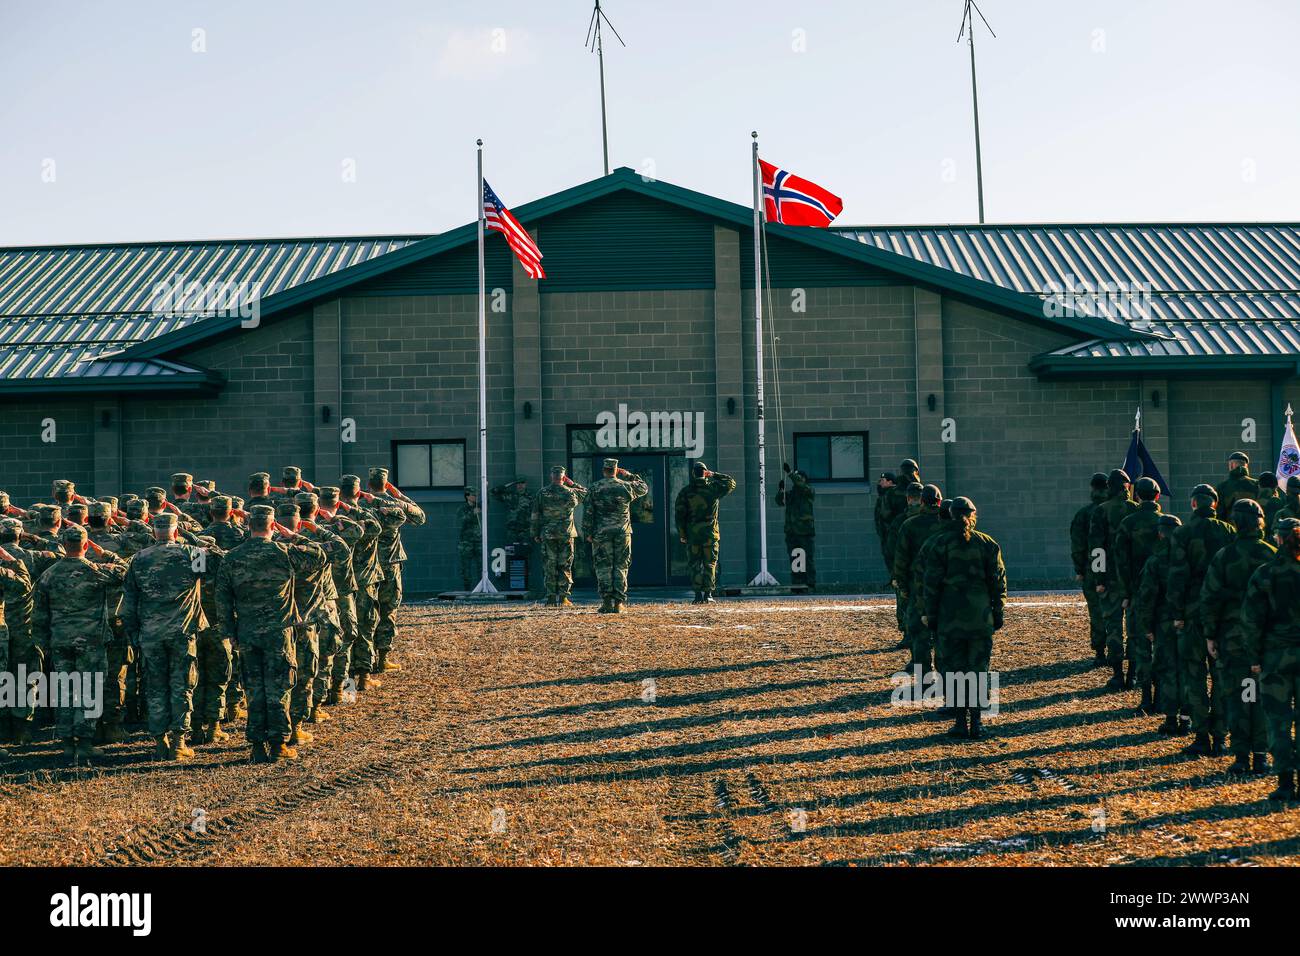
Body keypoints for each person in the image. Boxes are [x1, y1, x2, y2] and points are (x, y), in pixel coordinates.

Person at [215, 504, 328, 763]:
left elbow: (223, 599)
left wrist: (229, 632)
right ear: (272, 525)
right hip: (279, 631)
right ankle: (278, 745)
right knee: (279, 688)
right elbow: (319, 556)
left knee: (254, 689)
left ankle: (256, 746)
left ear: (248, 525)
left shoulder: (232, 557)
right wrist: (292, 535)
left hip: (247, 632)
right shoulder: (284, 552)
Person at [121, 512, 220, 761]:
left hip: (151, 634)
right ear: (175, 531)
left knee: (155, 686)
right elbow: (216, 562)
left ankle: (159, 741)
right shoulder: (191, 554)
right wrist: (192, 538)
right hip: (182, 632)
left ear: (154, 532)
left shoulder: (138, 560)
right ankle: (178, 742)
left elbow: (129, 603)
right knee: (182, 686)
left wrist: (134, 635)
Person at [32, 524, 128, 762]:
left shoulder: (49, 574)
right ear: (86, 545)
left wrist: (44, 643)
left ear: (64, 546)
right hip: (91, 642)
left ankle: (66, 743)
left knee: (64, 689)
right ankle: (84, 742)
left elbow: (39, 616)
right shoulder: (96, 571)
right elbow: (125, 571)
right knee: (90, 690)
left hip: (60, 641)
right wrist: (105, 554)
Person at [1200, 498, 1276, 776]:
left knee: (1239, 697)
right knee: (1262, 698)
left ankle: (1241, 756)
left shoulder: (1224, 556)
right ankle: (1262, 756)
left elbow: (1209, 598)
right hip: (1267, 642)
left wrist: (1210, 635)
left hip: (1232, 640)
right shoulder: (1272, 555)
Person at [922, 497, 1006, 740]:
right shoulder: (987, 544)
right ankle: (977, 723)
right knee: (978, 670)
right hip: (980, 618)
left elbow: (931, 584)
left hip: (950, 618)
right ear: (973, 515)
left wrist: (932, 615)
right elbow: (998, 582)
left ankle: (960, 722)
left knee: (954, 670)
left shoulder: (939, 544)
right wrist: (997, 612)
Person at [1168, 483, 1236, 757]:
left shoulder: (1182, 533)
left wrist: (1177, 614)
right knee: (1221, 676)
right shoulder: (1228, 531)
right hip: (1223, 615)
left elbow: (1177, 577)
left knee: (1194, 675)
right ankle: (1220, 736)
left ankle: (1201, 735)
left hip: (1192, 613)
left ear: (1194, 504)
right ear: (1215, 505)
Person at [1240, 517, 1300, 800]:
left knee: (1277, 720)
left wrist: (1254, 656)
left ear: (1277, 538)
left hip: (1275, 657)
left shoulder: (1265, 574)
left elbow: (1251, 620)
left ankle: (1286, 782)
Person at [0, 518, 58, 746]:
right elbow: (62, 552)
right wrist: (34, 538)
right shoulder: (30, 557)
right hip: (25, 627)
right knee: (26, 678)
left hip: (3, 628)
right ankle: (22, 728)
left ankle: (3, 729)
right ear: (20, 534)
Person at [365, 467, 425, 672]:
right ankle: (382, 658)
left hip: (365, 566)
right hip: (389, 564)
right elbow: (420, 517)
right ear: (386, 484)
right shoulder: (394, 504)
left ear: (368, 485)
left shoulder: (360, 505)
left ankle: (364, 659)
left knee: (364, 610)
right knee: (387, 610)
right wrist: (399, 495)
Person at [1115, 476, 1163, 703]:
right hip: (1163, 594)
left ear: (1136, 496)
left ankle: (1145, 695)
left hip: (1136, 592)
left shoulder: (1128, 524)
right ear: (1157, 496)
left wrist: (1125, 593)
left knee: (1139, 642)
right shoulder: (1168, 524)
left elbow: (1121, 562)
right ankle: (1163, 695)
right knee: (1162, 644)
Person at [1088, 469, 1138, 691]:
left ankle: (1118, 674)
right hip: (1133, 578)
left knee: (1114, 626)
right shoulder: (1134, 509)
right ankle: (1134, 675)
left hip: (1110, 577)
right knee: (1135, 627)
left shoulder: (1101, 511)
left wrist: (1099, 578)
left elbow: (1097, 548)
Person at [1136, 514, 1184, 733]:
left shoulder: (1156, 560)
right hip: (1188, 621)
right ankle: (1189, 716)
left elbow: (1147, 596)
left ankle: (1172, 717)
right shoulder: (1188, 557)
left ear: (1160, 533)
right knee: (1190, 669)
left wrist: (1146, 626)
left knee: (1168, 669)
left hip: (1163, 623)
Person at [582, 458, 648, 613]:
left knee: (603, 566)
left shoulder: (595, 488)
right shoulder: (626, 486)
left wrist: (588, 532)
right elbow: (644, 487)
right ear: (616, 470)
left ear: (604, 470)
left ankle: (606, 602)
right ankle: (619, 603)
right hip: (622, 532)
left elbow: (588, 513)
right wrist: (629, 475)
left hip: (601, 532)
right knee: (621, 566)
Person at [893, 484, 944, 671]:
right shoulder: (947, 524)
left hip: (918, 583)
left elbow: (901, 559)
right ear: (939, 501)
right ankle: (943, 666)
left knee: (917, 627)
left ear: (922, 501)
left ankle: (922, 666)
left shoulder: (910, 524)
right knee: (942, 627)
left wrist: (902, 586)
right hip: (944, 584)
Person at [675, 462, 737, 604]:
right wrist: (714, 475)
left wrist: (682, 534)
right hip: (710, 534)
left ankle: (697, 595)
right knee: (710, 564)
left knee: (694, 564)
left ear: (693, 474)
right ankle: (708, 594)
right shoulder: (713, 488)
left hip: (693, 534)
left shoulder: (686, 491)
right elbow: (731, 483)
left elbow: (679, 515)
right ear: (705, 473)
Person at [531, 466, 588, 607]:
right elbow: (587, 493)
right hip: (566, 535)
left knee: (550, 565)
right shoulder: (571, 492)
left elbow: (535, 515)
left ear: (552, 476)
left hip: (548, 534)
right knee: (565, 565)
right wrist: (571, 483)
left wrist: (535, 533)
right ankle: (563, 598)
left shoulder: (542, 493)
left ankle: (550, 598)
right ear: (563, 477)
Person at [1072, 473, 1111, 666]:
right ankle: (1119, 649)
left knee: (1096, 611)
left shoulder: (1084, 514)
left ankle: (1100, 652)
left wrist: (1079, 568)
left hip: (1093, 568)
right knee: (1117, 612)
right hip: (1117, 570)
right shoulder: (1119, 511)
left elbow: (1078, 545)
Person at [775, 462, 816, 590]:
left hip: (804, 531)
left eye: (800, 478)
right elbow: (780, 501)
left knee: (807, 558)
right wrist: (781, 490)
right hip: (792, 532)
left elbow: (801, 485)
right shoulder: (792, 494)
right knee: (795, 557)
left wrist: (790, 473)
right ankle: (797, 583)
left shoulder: (808, 491)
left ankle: (810, 583)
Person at [1216, 452, 1260, 524]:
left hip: (1232, 530)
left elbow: (1219, 513)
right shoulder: (1257, 485)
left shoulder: (1223, 486)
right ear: (1246, 466)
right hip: (1254, 529)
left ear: (1231, 465)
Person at [457, 486, 482, 591]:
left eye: (476, 495)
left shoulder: (479, 506)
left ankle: (481, 588)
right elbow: (462, 521)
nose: (475, 497)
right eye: (473, 495)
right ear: (467, 496)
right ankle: (467, 590)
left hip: (479, 541)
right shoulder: (462, 509)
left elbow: (487, 502)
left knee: (481, 566)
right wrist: (472, 513)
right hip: (466, 542)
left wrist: (485, 487)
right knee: (466, 568)